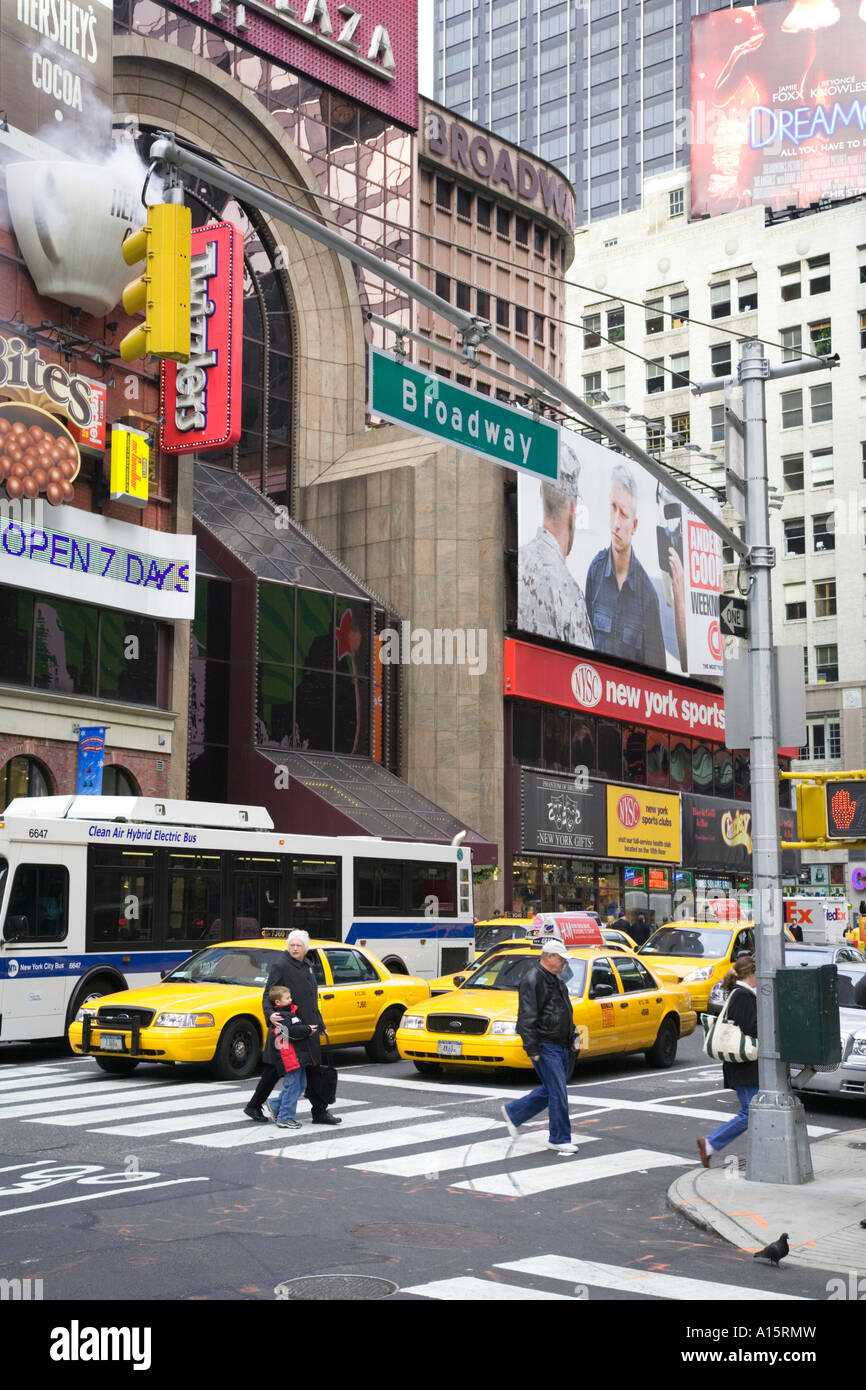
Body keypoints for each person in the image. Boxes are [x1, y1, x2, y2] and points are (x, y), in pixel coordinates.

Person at [585, 462, 687, 671]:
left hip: (627, 701)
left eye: (623, 514)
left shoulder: (647, 594)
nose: (616, 523)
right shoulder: (595, 571)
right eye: (613, 508)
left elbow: (657, 672)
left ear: (635, 525)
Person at [243, 929, 341, 1125]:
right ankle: (260, 1106)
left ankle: (318, 1111)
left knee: (309, 1069)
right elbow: (267, 995)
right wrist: (270, 1014)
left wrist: (320, 1024)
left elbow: (312, 999)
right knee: (277, 1069)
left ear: (305, 948)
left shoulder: (307, 965)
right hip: (291, 1028)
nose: (295, 948)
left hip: (307, 1028)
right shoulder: (281, 965)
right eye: (292, 945)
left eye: (299, 946)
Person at [500, 940, 581, 1155]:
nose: (564, 964)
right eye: (562, 959)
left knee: (553, 1089)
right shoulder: (534, 979)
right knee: (558, 1091)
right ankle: (559, 1138)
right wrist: (532, 1048)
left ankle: (514, 1113)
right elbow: (527, 1016)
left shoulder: (554, 980)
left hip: (557, 1043)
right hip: (546, 1043)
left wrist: (572, 1034)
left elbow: (565, 1011)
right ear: (550, 957)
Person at [517, 444, 593, 648]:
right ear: (572, 510)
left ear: (541, 495)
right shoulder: (569, 592)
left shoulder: (515, 562)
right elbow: (585, 671)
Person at [697, 955, 758, 1168]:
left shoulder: (741, 993)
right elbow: (751, 1027)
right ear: (751, 974)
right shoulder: (742, 995)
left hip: (744, 1065)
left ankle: (712, 1144)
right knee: (751, 1112)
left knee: (753, 1111)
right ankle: (710, 1143)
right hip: (744, 1065)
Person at [261, 986, 317, 1130]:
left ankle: (275, 1104)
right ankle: (285, 1117)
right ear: (278, 1002)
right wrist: (308, 1029)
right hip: (289, 1057)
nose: (291, 1000)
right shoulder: (283, 1016)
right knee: (293, 1086)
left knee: (300, 1085)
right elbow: (290, 1032)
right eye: (287, 998)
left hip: (296, 1055)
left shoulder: (290, 1013)